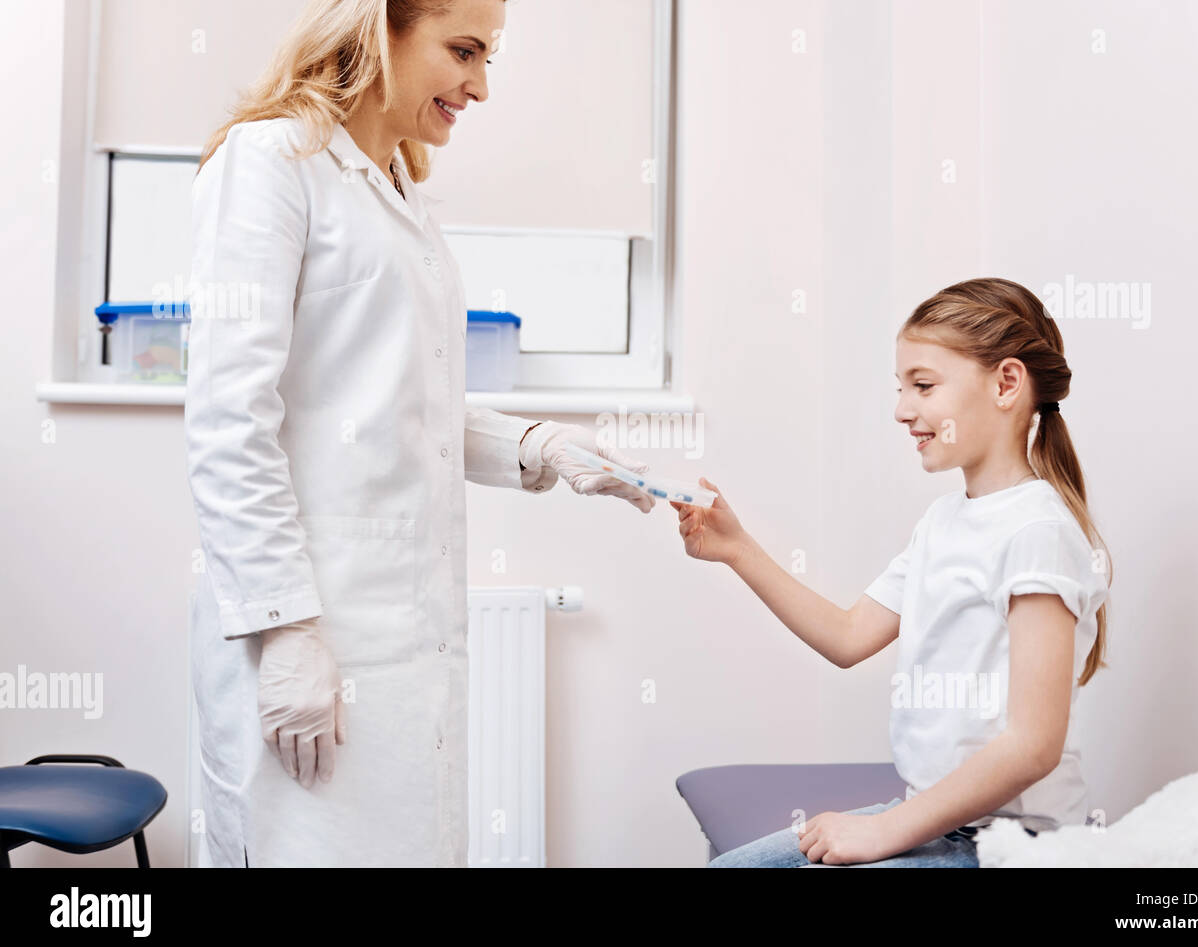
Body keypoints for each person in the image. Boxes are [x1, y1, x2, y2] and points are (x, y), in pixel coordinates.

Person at [185, 0, 654, 867]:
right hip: (311, 623)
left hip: (404, 638)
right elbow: (228, 415)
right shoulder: (271, 162)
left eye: (490, 56)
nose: (480, 85)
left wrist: (540, 446)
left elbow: (404, 406)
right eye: (464, 50)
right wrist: (286, 628)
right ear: (379, 28)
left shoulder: (395, 189)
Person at [671, 278, 1113, 867]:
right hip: (936, 818)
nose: (902, 410)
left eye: (924, 386)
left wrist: (886, 831)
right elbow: (850, 637)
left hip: (1009, 845)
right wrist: (738, 550)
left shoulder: (1037, 534)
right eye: (902, 387)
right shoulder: (944, 521)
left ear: (1007, 383)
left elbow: (1034, 747)